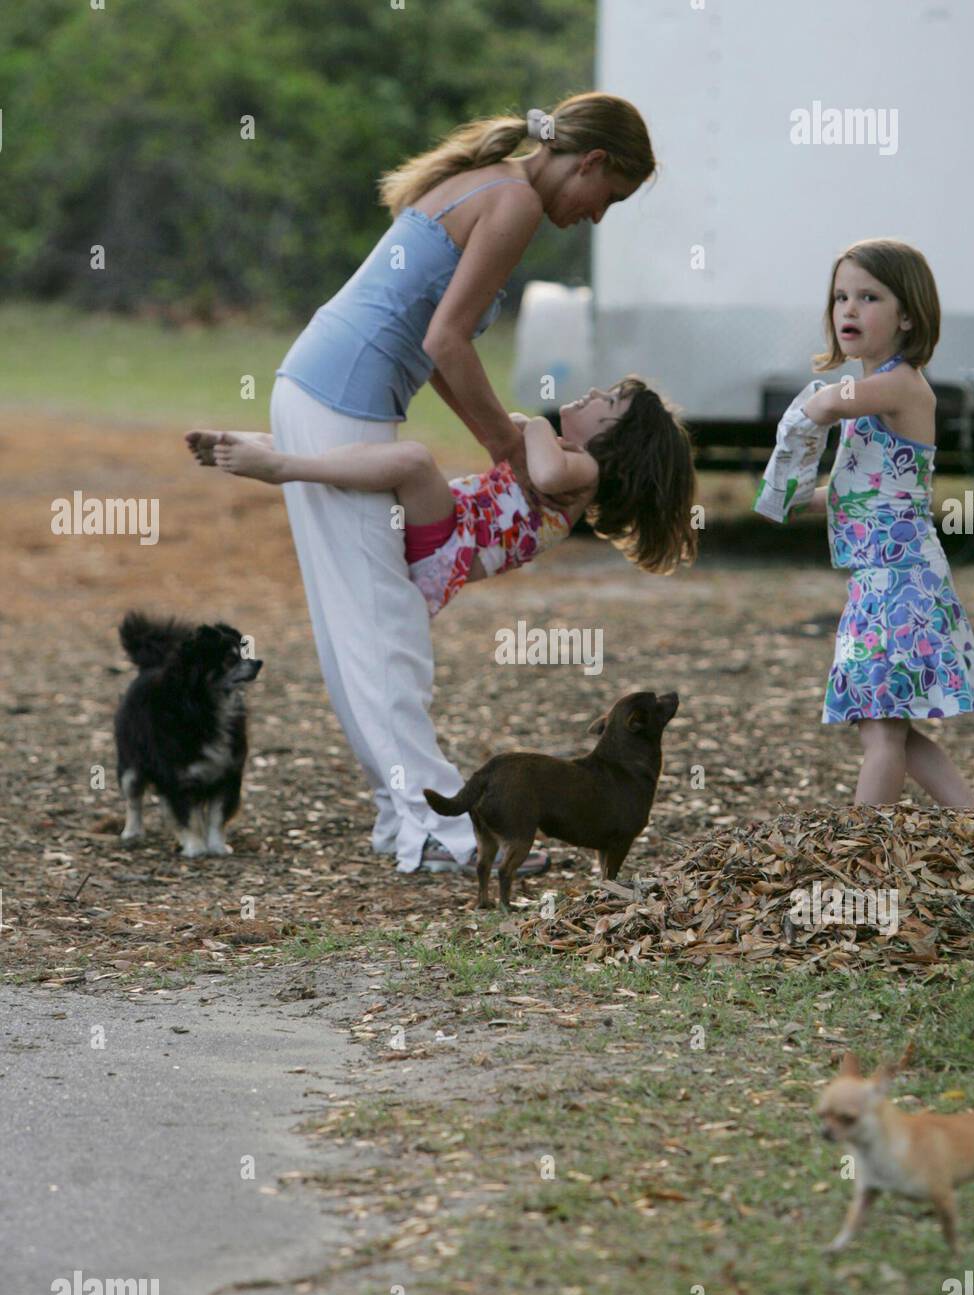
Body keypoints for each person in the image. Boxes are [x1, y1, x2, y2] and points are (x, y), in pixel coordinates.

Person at [189, 94, 657, 874]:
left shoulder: (490, 183)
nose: (597, 217)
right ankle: (441, 827)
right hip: (339, 402)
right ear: (592, 163)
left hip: (317, 388)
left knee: (359, 632)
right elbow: (445, 343)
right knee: (385, 635)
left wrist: (504, 447)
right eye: (607, 199)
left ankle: (398, 815)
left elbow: (442, 345)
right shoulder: (511, 203)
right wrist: (508, 447)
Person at [755, 238, 974, 807]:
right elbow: (869, 490)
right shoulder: (875, 390)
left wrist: (800, 425)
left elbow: (826, 405)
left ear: (909, 315)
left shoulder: (896, 384)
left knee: (881, 728)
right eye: (840, 296)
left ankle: (860, 851)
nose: (848, 309)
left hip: (900, 581)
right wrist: (804, 498)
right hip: (884, 579)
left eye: (868, 297)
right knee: (884, 725)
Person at [188, 376, 697, 616]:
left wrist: (535, 424)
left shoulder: (582, 469)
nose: (591, 394)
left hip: (450, 543)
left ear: (615, 444)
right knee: (360, 461)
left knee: (412, 462)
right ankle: (253, 445)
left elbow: (540, 472)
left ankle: (281, 466)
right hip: (446, 530)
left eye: (606, 402)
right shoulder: (572, 459)